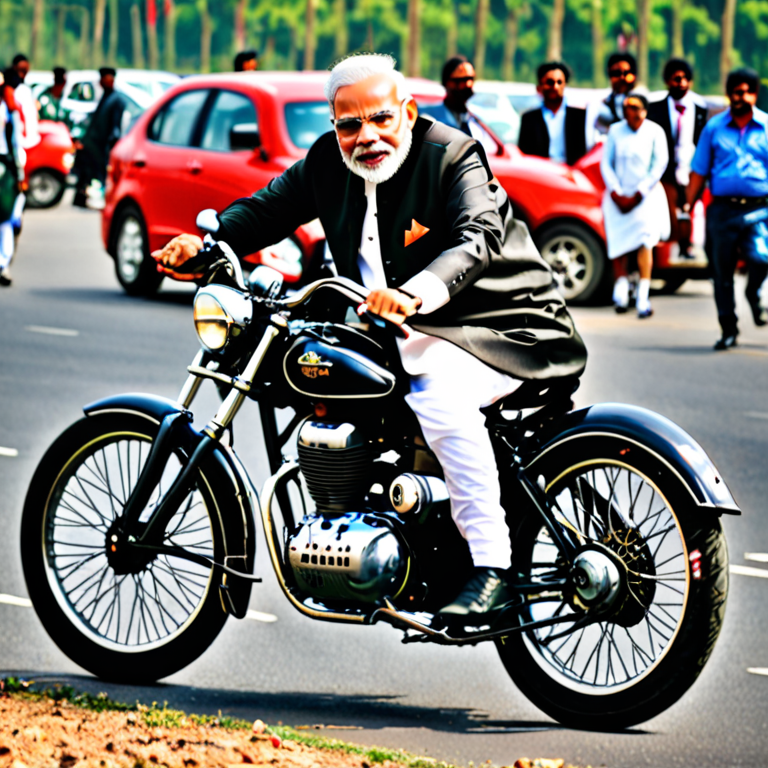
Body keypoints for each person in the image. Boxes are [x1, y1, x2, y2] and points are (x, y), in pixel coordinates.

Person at [153, 53, 587, 627]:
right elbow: (268, 209)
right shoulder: (327, 163)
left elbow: (477, 236)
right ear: (334, 126)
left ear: (408, 110)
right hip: (405, 332)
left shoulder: (451, 154)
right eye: (350, 124)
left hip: (505, 330)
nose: (367, 136)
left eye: (381, 118)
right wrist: (208, 245)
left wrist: (415, 292)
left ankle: (492, 569)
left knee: (439, 398)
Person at [687, 68, 768, 350]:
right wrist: (687, 205)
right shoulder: (714, 128)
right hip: (721, 211)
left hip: (760, 209)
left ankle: (753, 293)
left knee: (762, 258)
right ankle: (728, 328)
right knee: (721, 273)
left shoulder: (766, 127)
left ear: (754, 94)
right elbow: (699, 170)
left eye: (746, 92)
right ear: (728, 94)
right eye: (736, 92)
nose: (741, 97)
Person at [600, 92, 670, 318]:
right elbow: (606, 163)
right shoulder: (615, 131)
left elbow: (659, 164)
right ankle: (620, 293)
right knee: (619, 243)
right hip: (618, 197)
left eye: (634, 107)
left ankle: (643, 297)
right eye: (626, 107)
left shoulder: (655, 131)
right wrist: (616, 191)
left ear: (644, 110)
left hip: (645, 198)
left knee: (644, 243)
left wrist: (640, 192)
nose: (629, 111)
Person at [647, 58, 708, 260]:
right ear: (667, 80)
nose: (681, 83)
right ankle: (666, 252)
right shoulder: (655, 109)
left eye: (685, 78)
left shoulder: (699, 109)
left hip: (691, 168)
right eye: (676, 78)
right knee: (669, 211)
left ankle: (686, 248)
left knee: (689, 209)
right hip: (666, 170)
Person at [418, 55, 498, 156]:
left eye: (471, 79)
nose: (467, 85)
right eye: (461, 81)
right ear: (447, 82)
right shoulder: (430, 118)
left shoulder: (475, 120)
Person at [72, 67, 126, 208]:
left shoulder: (116, 100)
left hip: (103, 146)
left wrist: (112, 145)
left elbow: (115, 127)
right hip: (94, 145)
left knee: (102, 175)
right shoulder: (105, 97)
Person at [518, 61, 587, 166]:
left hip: (571, 172)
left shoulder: (580, 117)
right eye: (550, 82)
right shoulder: (529, 119)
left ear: (565, 85)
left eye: (559, 82)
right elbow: (524, 155)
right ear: (540, 86)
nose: (555, 86)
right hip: (541, 172)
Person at [0, 69, 26, 286]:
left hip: (5, 168)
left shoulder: (10, 111)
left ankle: (3, 263)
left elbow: (16, 144)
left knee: (7, 218)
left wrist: (19, 175)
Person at [587, 52, 638, 148]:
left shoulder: (641, 100)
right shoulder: (604, 103)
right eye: (616, 73)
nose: (621, 77)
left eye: (626, 73)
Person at [11, 54, 40, 150]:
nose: (24, 71)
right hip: (18, 138)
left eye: (26, 69)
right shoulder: (12, 88)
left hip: (28, 138)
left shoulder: (25, 88)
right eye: (21, 68)